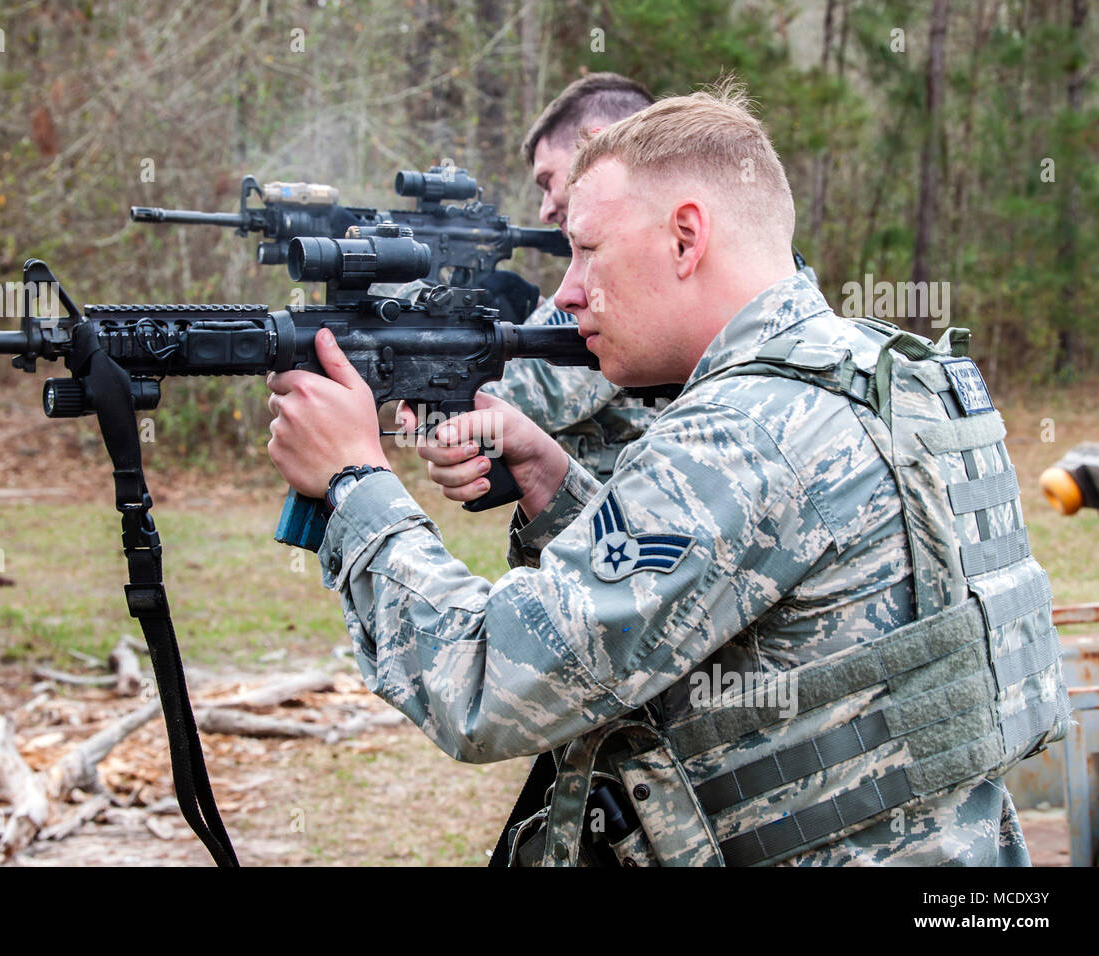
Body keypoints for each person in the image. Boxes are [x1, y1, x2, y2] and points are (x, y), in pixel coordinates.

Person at [265, 81, 1067, 866]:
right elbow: (746, 600)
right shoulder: (893, 374)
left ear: (686, 238)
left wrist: (354, 483)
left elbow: (487, 683)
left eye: (585, 251)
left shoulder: (744, 433)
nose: (569, 293)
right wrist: (558, 488)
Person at [381, 73, 662, 477]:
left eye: (549, 182)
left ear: (598, 143)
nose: (546, 211)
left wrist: (392, 296)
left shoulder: (636, 271)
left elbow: (510, 398)